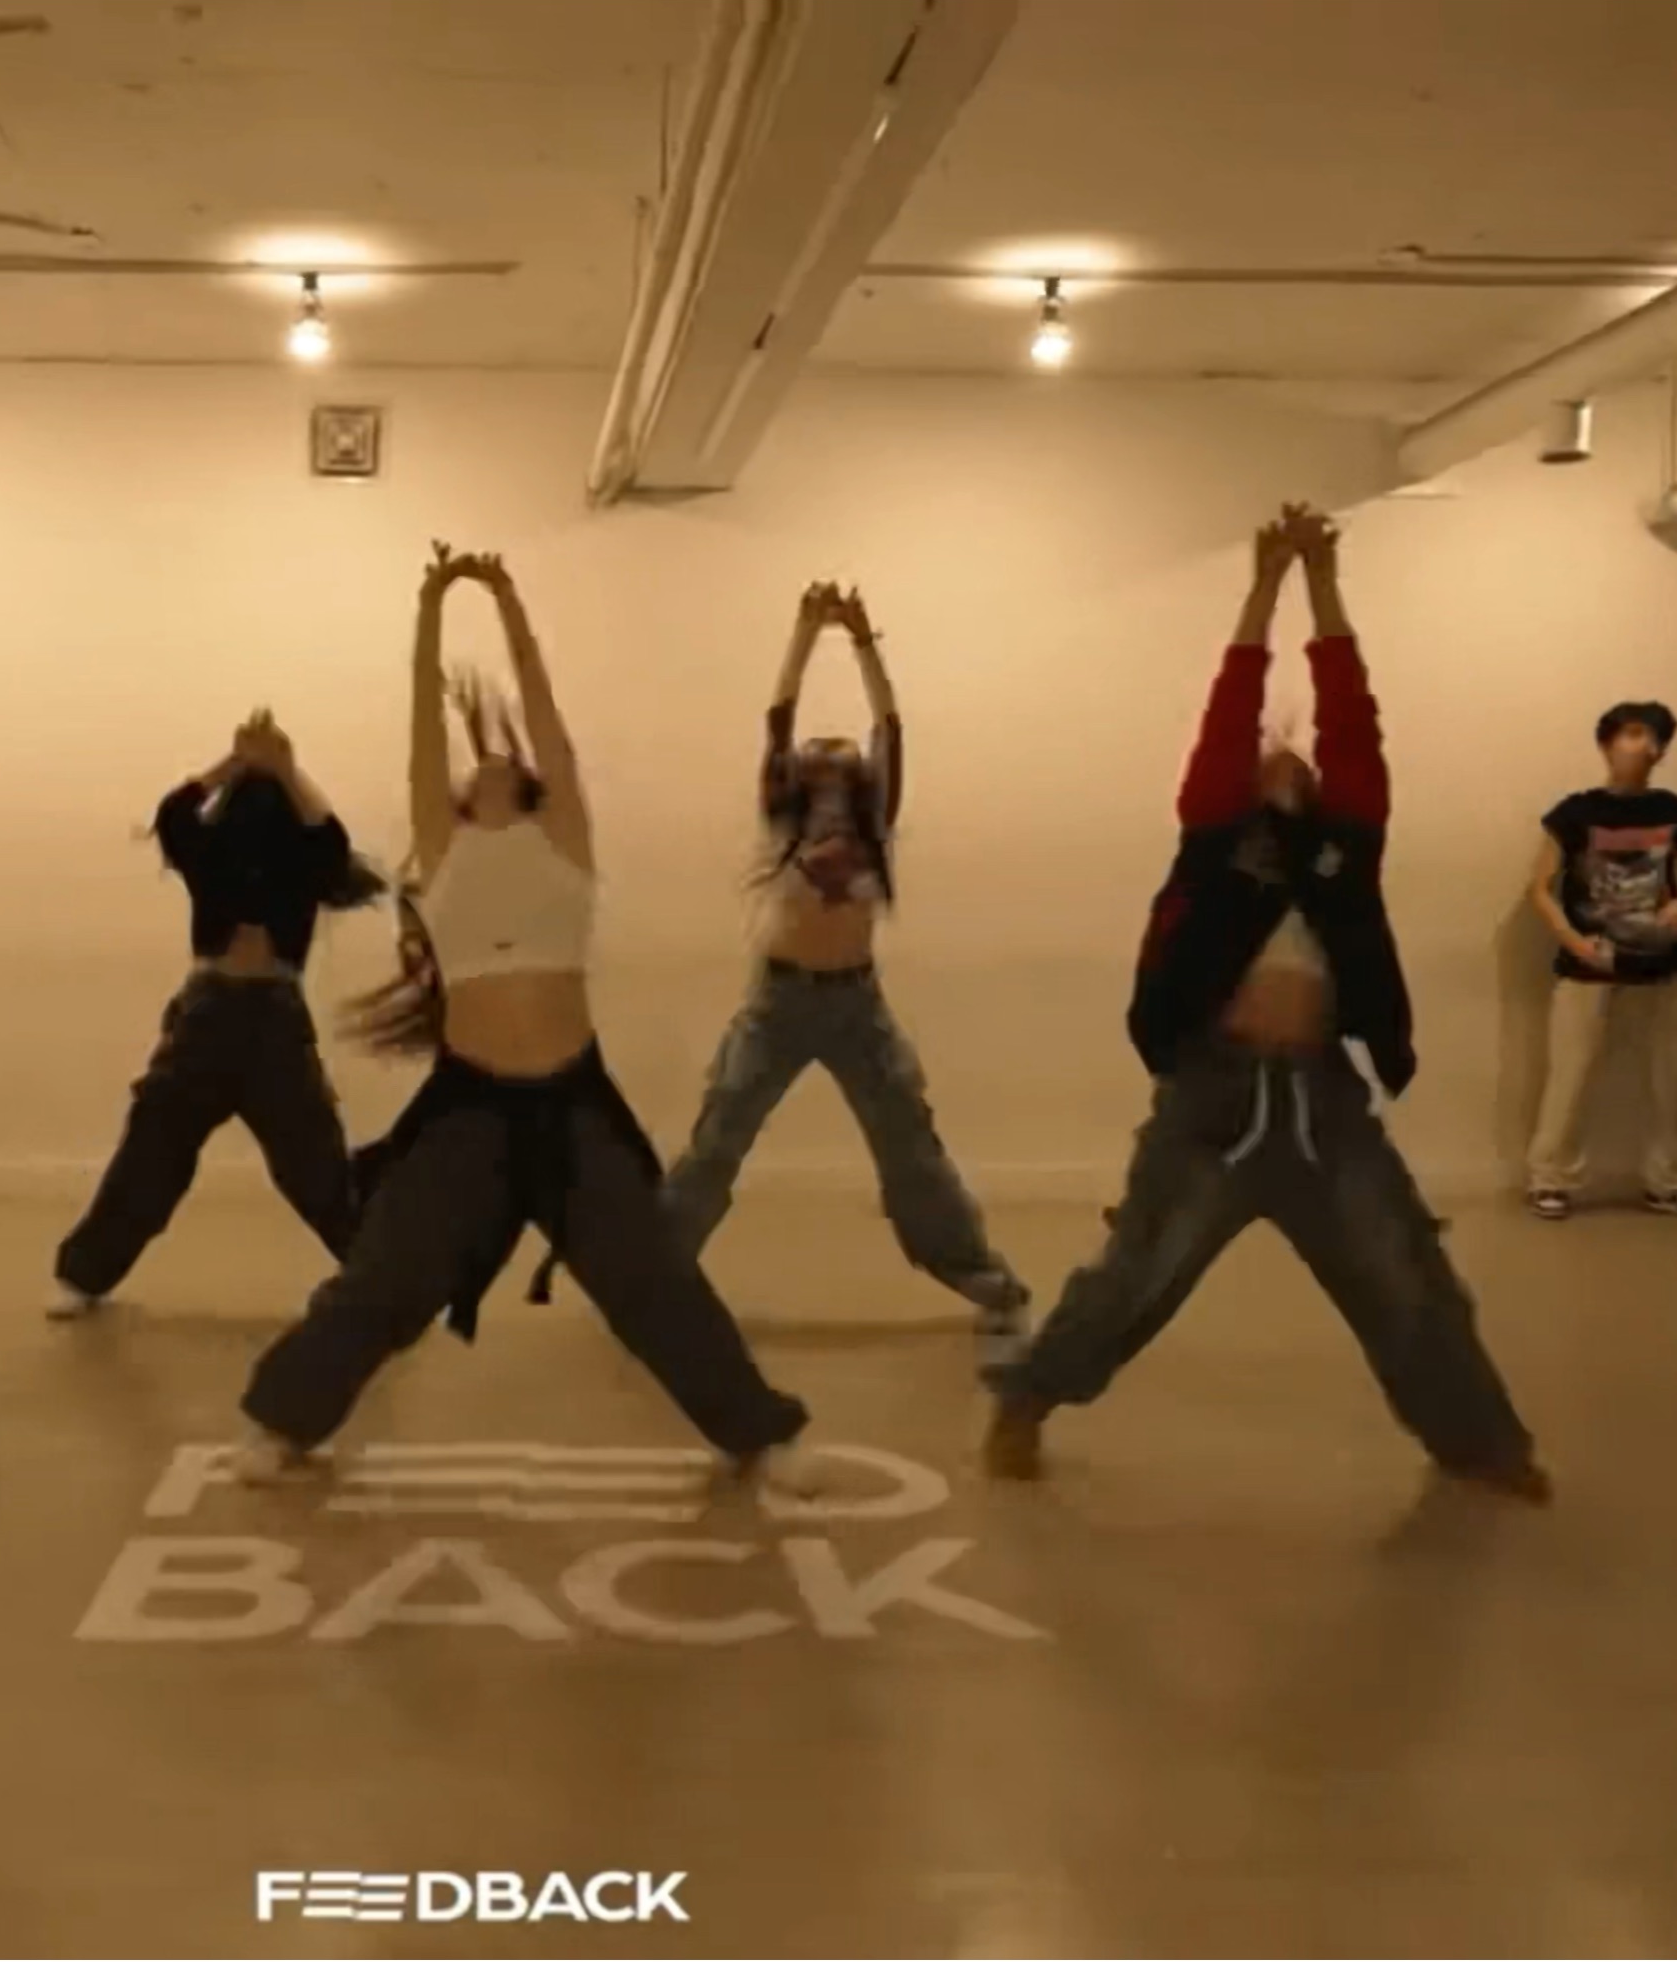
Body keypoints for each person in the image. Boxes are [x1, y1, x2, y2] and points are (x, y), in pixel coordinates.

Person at [982, 506, 1545, 1501]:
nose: (1287, 754)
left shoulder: (1346, 845)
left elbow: (1352, 713)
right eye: (1267, 750)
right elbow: (1232, 702)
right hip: (1215, 1099)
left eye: (1302, 753)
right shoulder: (1214, 837)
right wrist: (1263, 585)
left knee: (1407, 1274)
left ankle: (1480, 1443)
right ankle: (1027, 1399)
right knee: (1136, 1274)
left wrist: (1322, 581)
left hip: (1324, 1103)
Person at [237, 543, 815, 1486]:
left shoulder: (564, 842)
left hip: (571, 1103)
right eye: (480, 764)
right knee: (387, 1277)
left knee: (651, 1278)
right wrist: (433, 602)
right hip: (470, 1107)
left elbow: (547, 719)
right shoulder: (443, 848)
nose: (494, 761)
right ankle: (283, 1421)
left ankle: (762, 1433)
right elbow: (423, 726)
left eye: (511, 760)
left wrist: (505, 600)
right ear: (463, 794)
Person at [627, 580, 1027, 1354]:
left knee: (909, 1149)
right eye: (821, 760)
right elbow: (777, 722)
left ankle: (985, 1280)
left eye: (846, 761)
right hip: (777, 1003)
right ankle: (650, 1284)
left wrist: (864, 639)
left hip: (856, 1008)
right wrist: (806, 632)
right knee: (719, 1139)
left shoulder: (875, 823)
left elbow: (890, 727)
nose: (834, 764)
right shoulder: (782, 819)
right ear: (803, 777)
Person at [51, 711, 386, 1315]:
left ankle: (384, 1277)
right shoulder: (212, 853)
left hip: (269, 1019)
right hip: (209, 1015)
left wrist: (284, 768)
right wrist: (235, 764)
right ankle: (86, 1276)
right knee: (153, 1150)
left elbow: (329, 843)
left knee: (315, 1164)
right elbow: (174, 816)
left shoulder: (300, 860)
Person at [1524, 701, 1677, 1221]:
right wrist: (1573, 940)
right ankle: (1550, 1179)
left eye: (1654, 737)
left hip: (1662, 964)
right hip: (1588, 966)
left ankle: (1672, 1181)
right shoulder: (1574, 813)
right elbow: (1540, 887)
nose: (1644, 746)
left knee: (1674, 1078)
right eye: (1632, 734)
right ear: (1607, 744)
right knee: (1571, 1075)